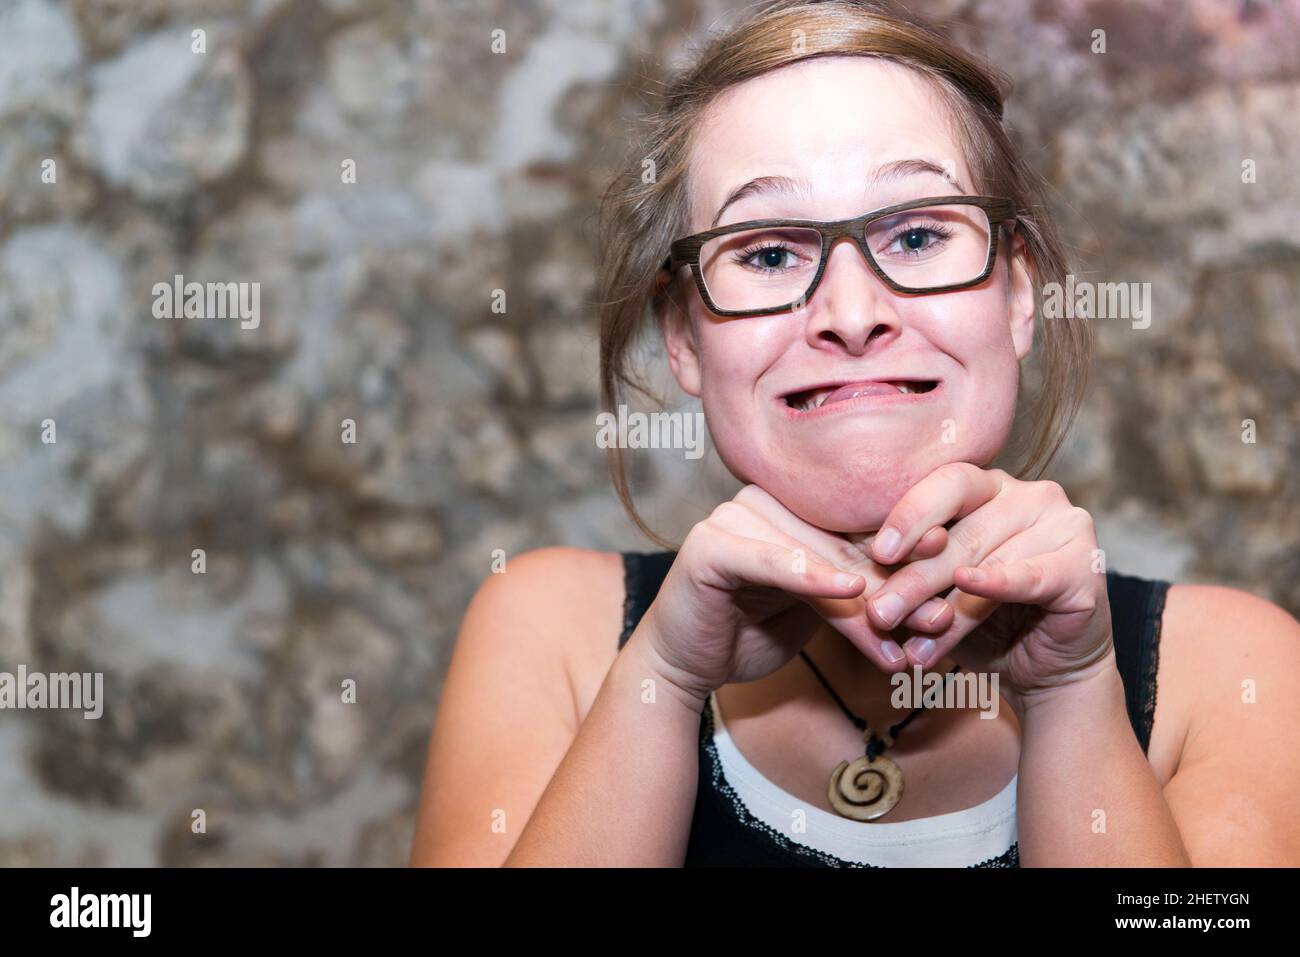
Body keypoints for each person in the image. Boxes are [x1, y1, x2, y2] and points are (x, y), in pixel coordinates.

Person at [411, 0, 1300, 867]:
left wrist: (1072, 694)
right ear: (685, 335)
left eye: (916, 234)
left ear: (1019, 294)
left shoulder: (1235, 668)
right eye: (766, 254)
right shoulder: (549, 631)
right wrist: (664, 681)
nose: (850, 312)